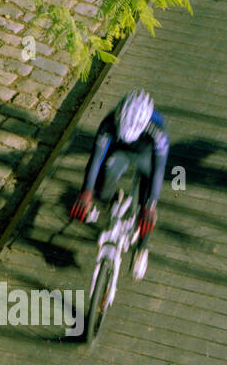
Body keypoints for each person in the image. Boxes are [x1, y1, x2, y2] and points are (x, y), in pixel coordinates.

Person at [69, 89, 170, 280]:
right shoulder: (109, 123)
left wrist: (150, 205)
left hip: (146, 156)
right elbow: (95, 159)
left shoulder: (159, 132)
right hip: (120, 151)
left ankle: (142, 247)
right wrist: (87, 192)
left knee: (147, 204)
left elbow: (158, 171)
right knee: (106, 172)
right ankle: (111, 201)